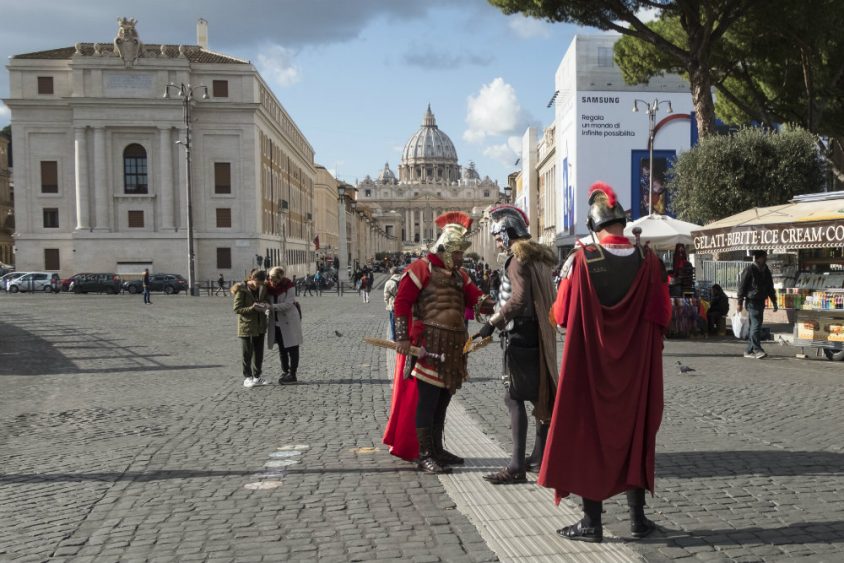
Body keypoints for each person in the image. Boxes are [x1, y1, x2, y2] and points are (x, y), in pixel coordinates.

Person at [541, 182, 671, 543]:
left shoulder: (581, 261)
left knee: (588, 438)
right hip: (636, 373)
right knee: (634, 435)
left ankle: (591, 523)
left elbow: (562, 314)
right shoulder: (650, 261)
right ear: (623, 222)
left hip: (591, 369)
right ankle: (637, 520)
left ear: (592, 225)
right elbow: (663, 314)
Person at [382, 211, 491, 474]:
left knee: (443, 399)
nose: (460, 258)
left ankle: (437, 449)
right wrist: (403, 338)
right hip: (428, 343)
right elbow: (402, 303)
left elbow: (476, 299)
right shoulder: (420, 268)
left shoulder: (459, 275)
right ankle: (424, 453)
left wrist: (499, 306)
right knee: (428, 401)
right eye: (457, 253)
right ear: (445, 249)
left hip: (454, 345)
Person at [474, 204, 557, 485]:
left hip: (520, 334)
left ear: (509, 235)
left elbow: (519, 300)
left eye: (499, 237)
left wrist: (493, 322)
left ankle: (517, 465)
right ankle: (539, 456)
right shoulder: (540, 259)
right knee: (539, 395)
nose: (497, 242)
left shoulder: (517, 260)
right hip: (537, 333)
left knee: (514, 396)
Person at [231, 269, 270, 388]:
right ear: (251, 279)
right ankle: (247, 377)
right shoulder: (242, 290)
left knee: (259, 353)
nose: (258, 285)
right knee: (247, 353)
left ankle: (257, 376)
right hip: (246, 326)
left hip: (260, 325)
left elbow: (266, 300)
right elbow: (237, 309)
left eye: (261, 283)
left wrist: (265, 304)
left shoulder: (263, 288)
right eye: (257, 283)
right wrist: (252, 308)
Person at [737, 250, 778, 359]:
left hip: (761, 301)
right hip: (752, 301)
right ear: (759, 258)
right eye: (764, 257)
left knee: (754, 326)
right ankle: (757, 349)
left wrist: (774, 301)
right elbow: (742, 286)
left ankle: (749, 351)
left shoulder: (765, 270)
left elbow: (770, 287)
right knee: (756, 325)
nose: (766, 259)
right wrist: (739, 302)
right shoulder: (750, 269)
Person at [266, 266, 303, 384]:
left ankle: (293, 374)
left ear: (280, 278)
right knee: (282, 348)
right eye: (270, 279)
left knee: (292, 347)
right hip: (276, 322)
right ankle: (285, 371)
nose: (272, 282)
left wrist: (272, 307)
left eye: (274, 279)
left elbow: (288, 303)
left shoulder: (289, 286)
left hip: (289, 320)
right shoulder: (269, 287)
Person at [383, 267, 403, 340]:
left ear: (391, 273)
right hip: (403, 303)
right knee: (402, 320)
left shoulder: (388, 282)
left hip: (393, 304)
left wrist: (387, 305)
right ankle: (402, 336)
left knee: (393, 321)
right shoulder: (403, 280)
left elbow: (386, 296)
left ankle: (394, 338)